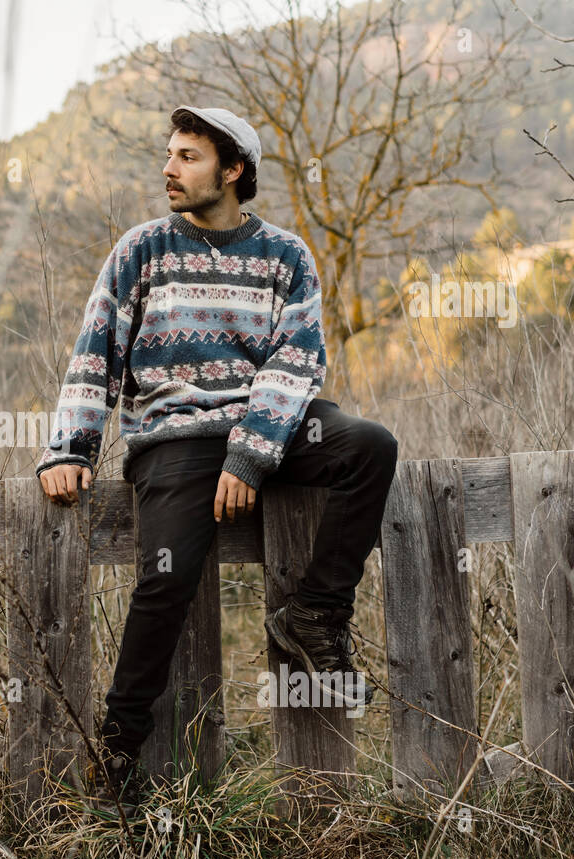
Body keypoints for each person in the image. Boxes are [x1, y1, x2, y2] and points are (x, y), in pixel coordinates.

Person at [35, 105, 399, 813]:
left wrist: (252, 456)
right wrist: (69, 447)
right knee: (164, 585)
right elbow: (95, 353)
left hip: (266, 427)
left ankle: (315, 615)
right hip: (174, 439)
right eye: (169, 154)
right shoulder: (140, 250)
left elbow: (296, 364)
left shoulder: (286, 256)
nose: (169, 169)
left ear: (233, 170)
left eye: (188, 157)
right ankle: (115, 762)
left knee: (369, 446)